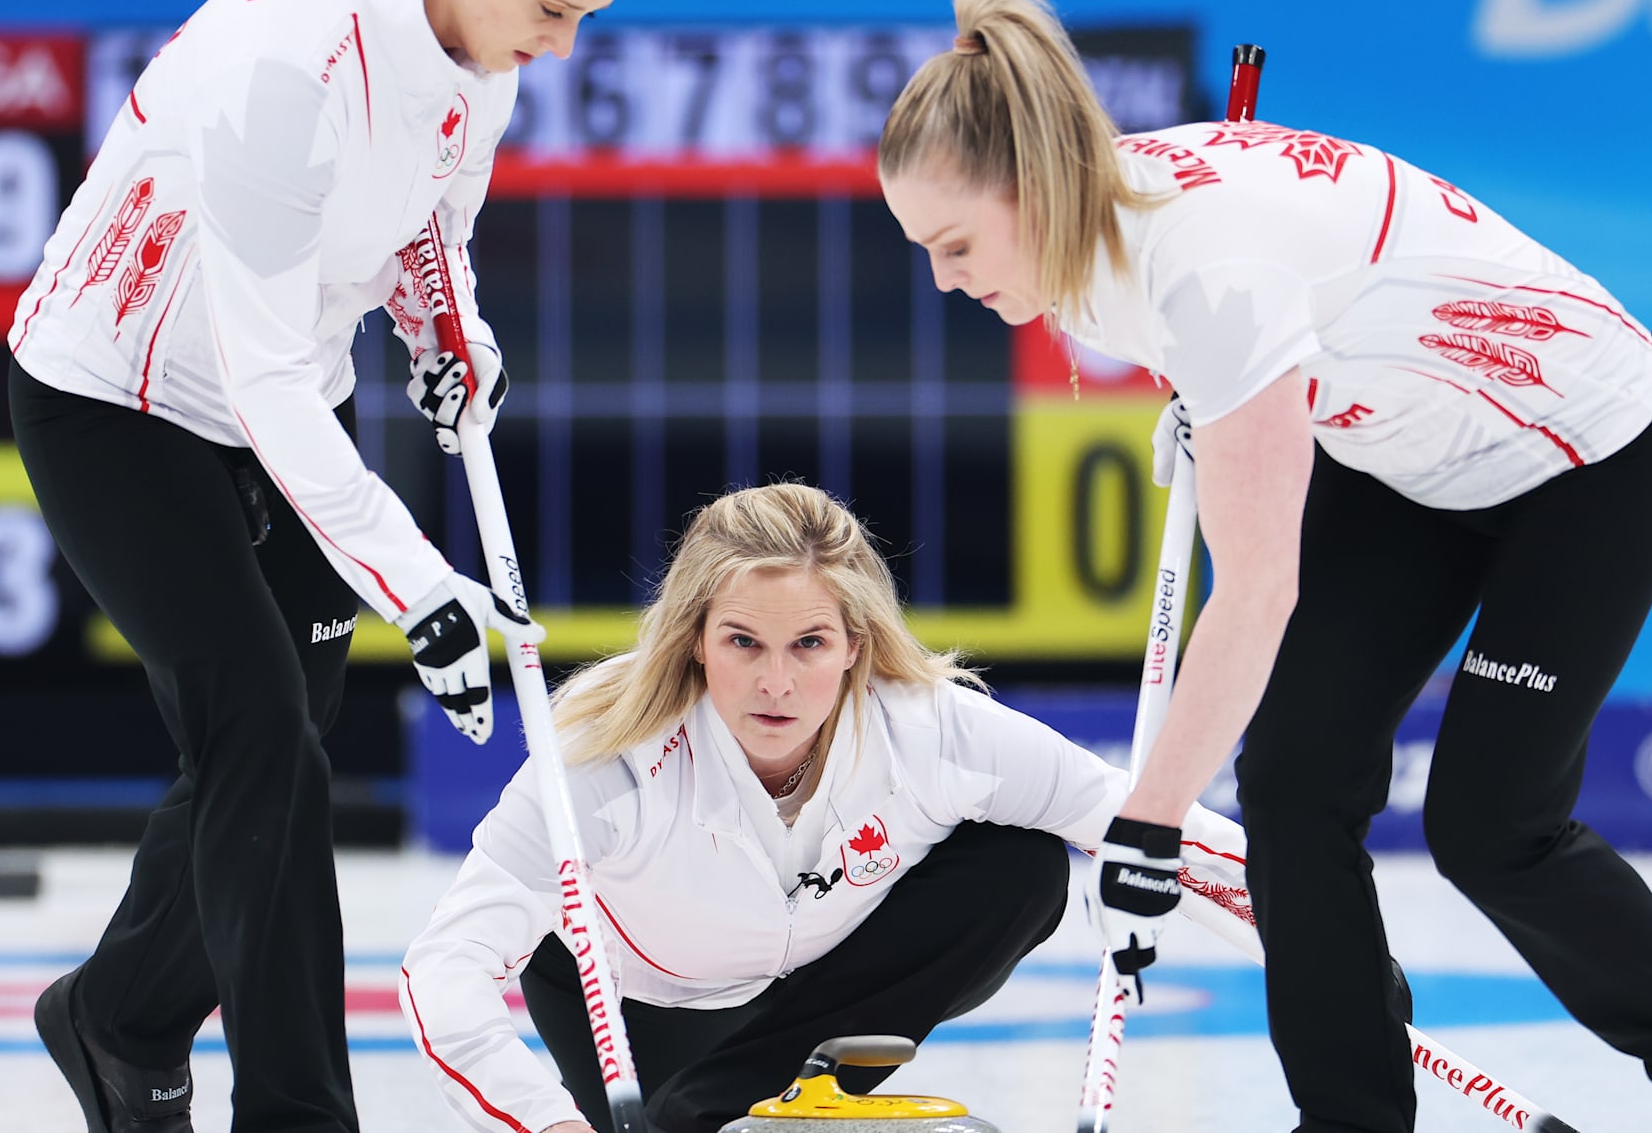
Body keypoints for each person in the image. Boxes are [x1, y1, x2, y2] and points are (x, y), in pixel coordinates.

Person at [875, 0, 1652, 1133]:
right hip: (1408, 462)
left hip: (1583, 453)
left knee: (1489, 820)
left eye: (954, 242)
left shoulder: (1205, 267)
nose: (943, 277)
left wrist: (1151, 816)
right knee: (1292, 783)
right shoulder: (1097, 227)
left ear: (1033, 182)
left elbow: (1258, 587)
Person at [5, 0, 643, 1130]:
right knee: (262, 741)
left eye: (586, 17)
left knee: (275, 744)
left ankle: (114, 1022)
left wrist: (451, 338)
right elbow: (269, 381)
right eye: (554, 10)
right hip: (118, 401)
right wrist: (420, 590)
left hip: (279, 391)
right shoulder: (285, 67)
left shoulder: (482, 67)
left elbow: (427, 236)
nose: (563, 47)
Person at [399, 483, 1236, 1133]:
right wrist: (544, 1121)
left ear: (855, 647)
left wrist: (1333, 963)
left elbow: (1149, 827)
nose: (776, 683)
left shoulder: (927, 728)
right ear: (696, 640)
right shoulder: (604, 762)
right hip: (636, 1013)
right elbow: (446, 969)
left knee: (1024, 865)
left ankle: (769, 1097)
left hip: (819, 1005)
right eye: (742, 642)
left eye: (809, 644)